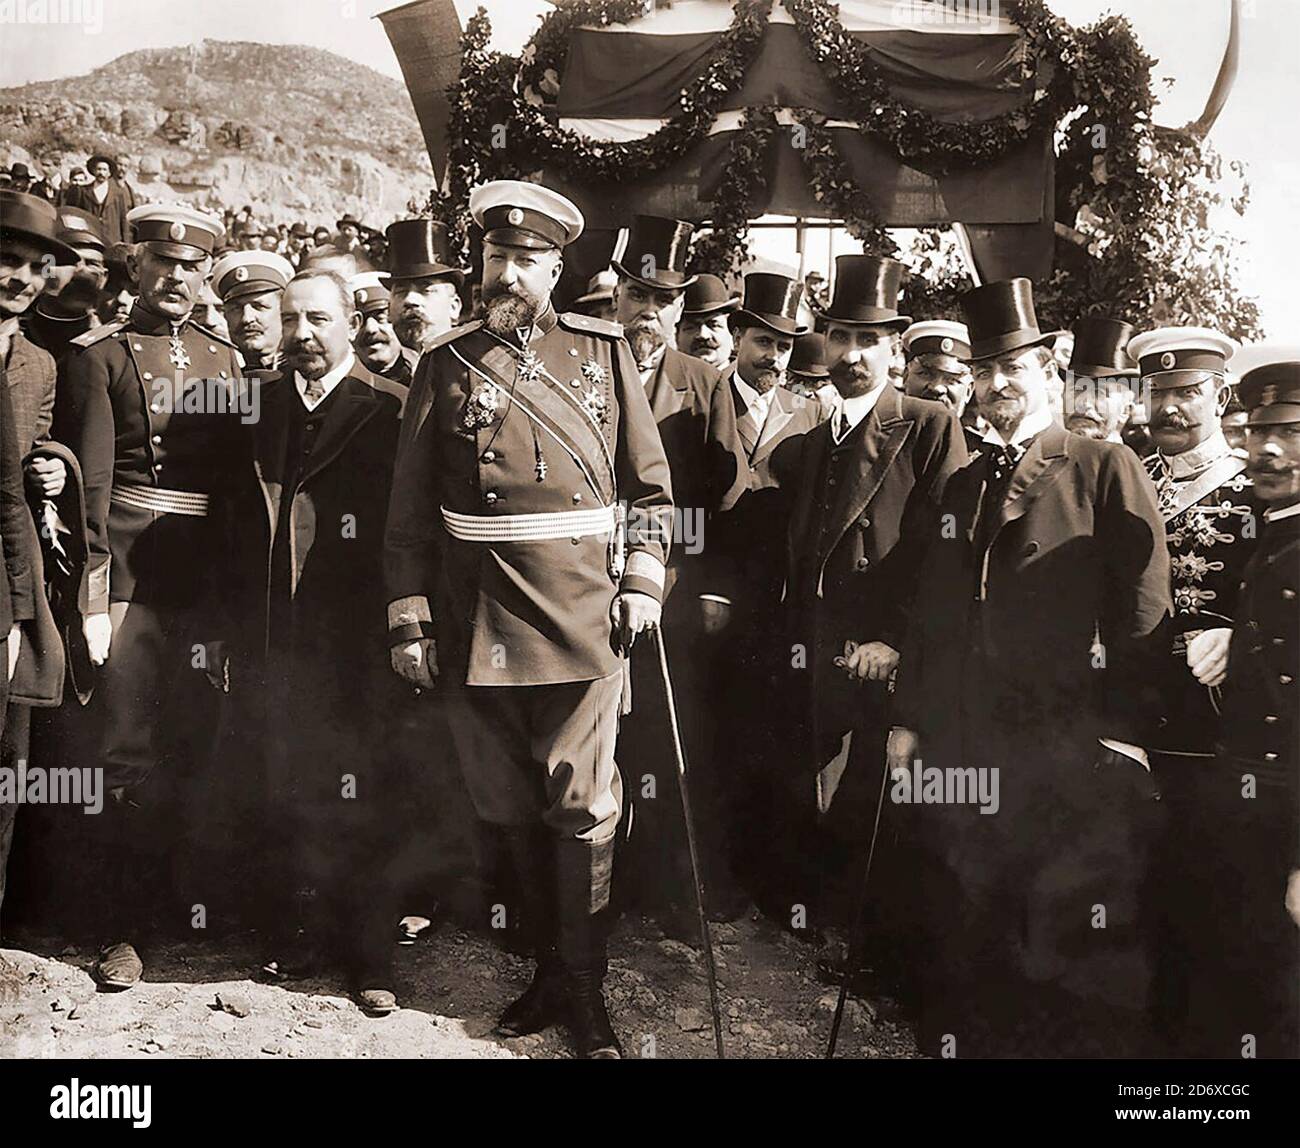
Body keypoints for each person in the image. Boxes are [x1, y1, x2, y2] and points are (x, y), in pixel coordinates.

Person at [385, 179, 673, 1058]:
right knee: (507, 807)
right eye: (495, 256)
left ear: (556, 268)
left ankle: (584, 991)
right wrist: (411, 622)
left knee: (582, 807)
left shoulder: (602, 350)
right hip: (478, 618)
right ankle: (545, 975)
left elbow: (650, 489)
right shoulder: (446, 360)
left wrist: (642, 581)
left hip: (587, 614)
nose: (508, 272)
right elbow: (406, 514)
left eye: (526, 259)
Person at [887, 277, 1171, 1058]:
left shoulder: (1102, 466)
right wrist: (908, 721)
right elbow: (932, 616)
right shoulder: (963, 482)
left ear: (1050, 366)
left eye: (1013, 365)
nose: (996, 384)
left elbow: (1144, 612)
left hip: (1068, 744)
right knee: (971, 908)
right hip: (968, 743)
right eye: (983, 371)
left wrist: (1122, 732)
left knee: (1062, 927)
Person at [52, 203, 251, 989]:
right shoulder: (99, 356)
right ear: (135, 267)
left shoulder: (225, 359)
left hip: (201, 580)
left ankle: (191, 905)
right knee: (125, 748)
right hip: (131, 572)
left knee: (199, 739)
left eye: (191, 268)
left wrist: (235, 599)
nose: (176, 279)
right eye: (162, 264)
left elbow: (236, 493)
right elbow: (91, 489)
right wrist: (94, 599)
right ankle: (123, 927)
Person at [770, 255, 967, 944]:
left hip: (877, 650)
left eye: (868, 341)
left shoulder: (927, 425)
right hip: (811, 640)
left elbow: (945, 556)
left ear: (893, 348)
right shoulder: (812, 437)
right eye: (841, 337)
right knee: (812, 780)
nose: (852, 355)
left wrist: (899, 641)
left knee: (873, 794)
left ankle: (862, 934)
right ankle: (807, 910)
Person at [245, 268, 406, 1014]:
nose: (301, 335)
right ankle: (299, 931)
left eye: (317, 319)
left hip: (361, 640)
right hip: (281, 636)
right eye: (290, 320)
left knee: (366, 787)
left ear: (351, 323)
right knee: (289, 781)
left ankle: (371, 953)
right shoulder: (260, 408)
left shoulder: (392, 408)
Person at [1123, 326, 1267, 1054]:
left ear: (1219, 397)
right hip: (1123, 723)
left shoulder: (1254, 489)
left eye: (1186, 394)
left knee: (1206, 889)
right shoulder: (1124, 478)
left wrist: (1240, 641)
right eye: (1160, 393)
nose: (1170, 408)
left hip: (1211, 735)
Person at [607, 215, 742, 927]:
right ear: (616, 294)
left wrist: (714, 582)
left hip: (678, 587)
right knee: (603, 739)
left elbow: (727, 494)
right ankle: (605, 889)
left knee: (674, 736)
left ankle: (677, 889)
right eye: (637, 295)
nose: (647, 313)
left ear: (681, 308)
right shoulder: (587, 360)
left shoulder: (702, 383)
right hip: (594, 585)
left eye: (662, 301)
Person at [1179, 355, 1299, 1059]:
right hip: (1249, 813)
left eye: (1290, 432)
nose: (1269, 449)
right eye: (1258, 432)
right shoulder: (1277, 534)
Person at [706, 272, 825, 918]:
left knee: (762, 738)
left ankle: (761, 877)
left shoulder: (804, 417)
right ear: (735, 337)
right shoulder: (702, 401)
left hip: (773, 612)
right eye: (761, 342)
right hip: (705, 604)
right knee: (713, 739)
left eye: (783, 346)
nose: (772, 358)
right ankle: (707, 877)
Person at [382, 218, 463, 354]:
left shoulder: (474, 371)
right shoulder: (374, 374)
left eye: (426, 290)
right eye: (401, 291)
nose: (410, 300)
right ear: (389, 311)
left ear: (454, 307)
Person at [210, 249, 295, 372]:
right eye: (236, 309)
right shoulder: (216, 377)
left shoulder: (305, 375)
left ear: (283, 311)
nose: (247, 318)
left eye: (259, 306)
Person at [1062, 316, 1139, 444]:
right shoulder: (1040, 461)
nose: (1083, 404)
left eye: (1099, 392)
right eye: (1076, 390)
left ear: (1125, 410)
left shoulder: (1125, 463)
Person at [349, 271, 418, 387]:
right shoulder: (340, 389)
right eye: (359, 322)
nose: (371, 329)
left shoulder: (425, 373)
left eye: (381, 317)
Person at [62, 155, 132, 247]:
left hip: (112, 241)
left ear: (109, 173)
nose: (101, 173)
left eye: (104, 170)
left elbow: (123, 219)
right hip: (91, 239)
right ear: (94, 171)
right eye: (99, 169)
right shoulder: (84, 192)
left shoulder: (118, 194)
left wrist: (126, 243)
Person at [675, 273, 737, 370]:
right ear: (676, 337)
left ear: (734, 336)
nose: (703, 335)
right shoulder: (660, 383)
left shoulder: (746, 383)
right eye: (691, 327)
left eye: (713, 325)